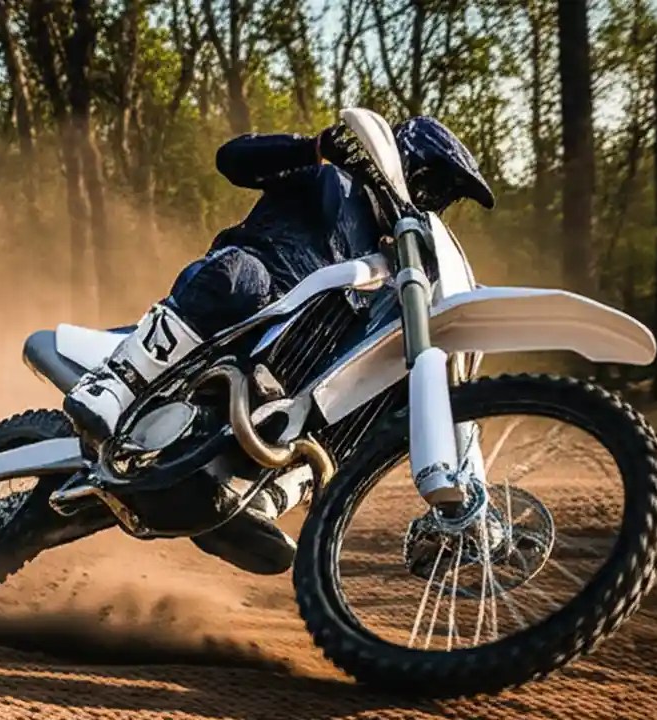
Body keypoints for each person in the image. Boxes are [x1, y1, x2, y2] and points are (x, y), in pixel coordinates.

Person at [62, 115, 494, 573]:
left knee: (386, 379)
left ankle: (269, 495)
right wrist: (314, 148)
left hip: (294, 365)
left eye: (448, 195)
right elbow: (233, 160)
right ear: (407, 162)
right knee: (241, 275)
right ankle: (114, 385)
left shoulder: (397, 262)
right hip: (243, 310)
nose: (438, 200)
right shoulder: (332, 180)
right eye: (436, 183)